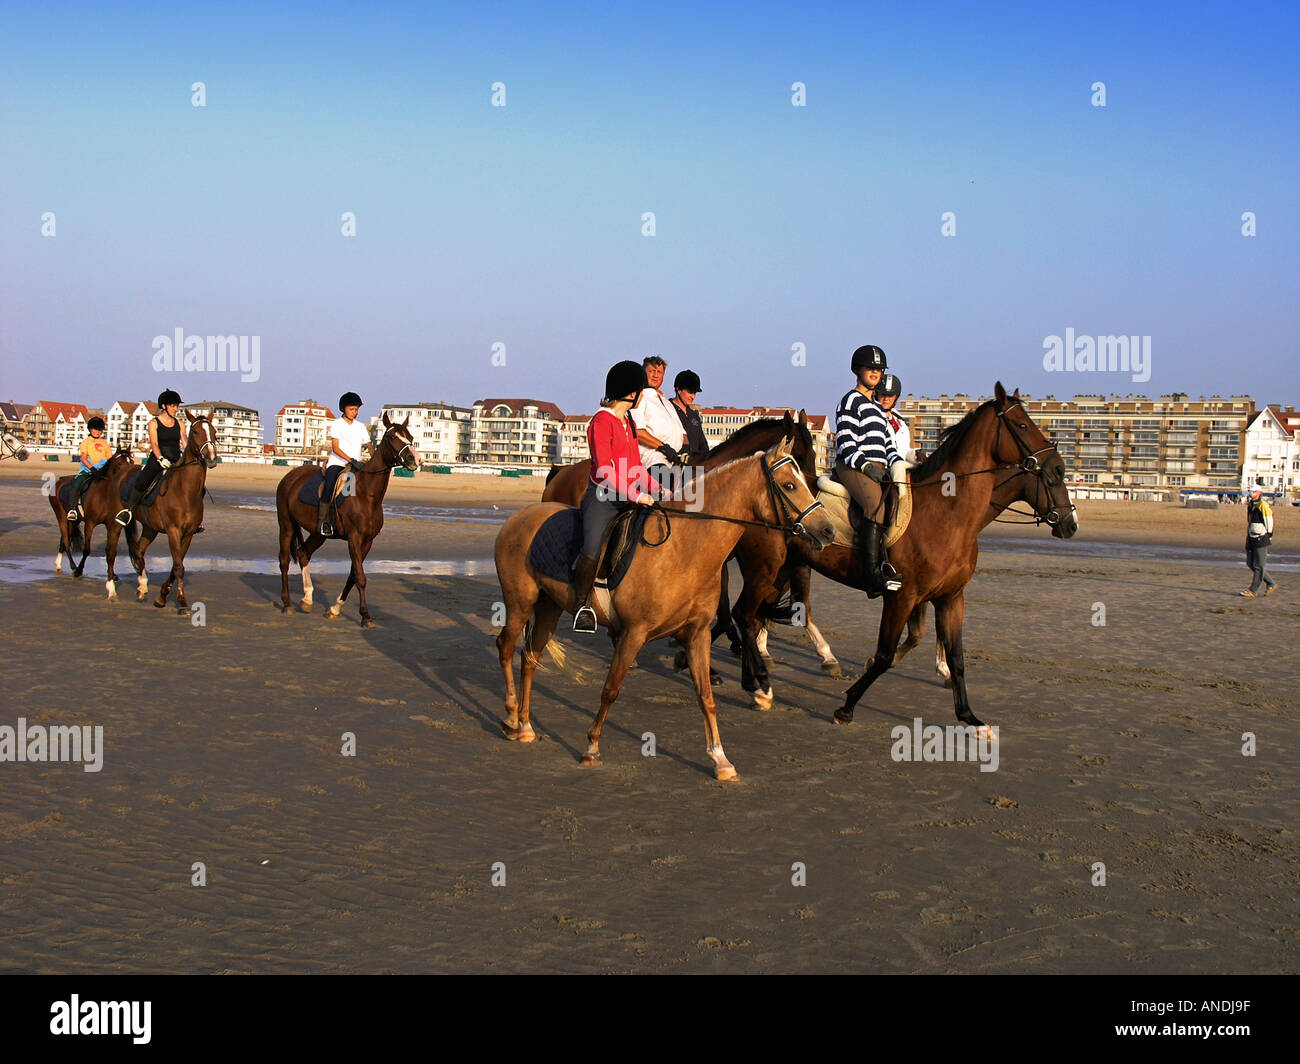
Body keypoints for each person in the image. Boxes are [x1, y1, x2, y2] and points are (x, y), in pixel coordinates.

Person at [572, 361, 661, 634]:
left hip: (628, 496)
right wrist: (637, 495)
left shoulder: (628, 421)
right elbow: (604, 471)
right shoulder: (601, 421)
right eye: (639, 390)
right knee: (593, 545)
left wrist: (660, 490)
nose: (640, 395)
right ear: (629, 392)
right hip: (602, 497)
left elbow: (635, 466)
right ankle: (582, 604)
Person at [834, 345, 906, 594]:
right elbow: (845, 443)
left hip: (879, 468)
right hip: (853, 467)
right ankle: (871, 576)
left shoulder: (878, 409)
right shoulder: (850, 401)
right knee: (876, 506)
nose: (875, 372)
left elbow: (889, 445)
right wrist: (865, 466)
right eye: (870, 368)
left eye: (878, 369)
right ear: (858, 370)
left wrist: (897, 463)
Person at [116, 390, 187, 526]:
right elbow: (154, 443)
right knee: (144, 479)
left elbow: (184, 441)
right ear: (164, 406)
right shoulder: (154, 423)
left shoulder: (180, 423)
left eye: (177, 406)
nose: (176, 409)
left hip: (176, 458)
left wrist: (187, 457)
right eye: (173, 406)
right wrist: (160, 458)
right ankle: (128, 510)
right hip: (158, 458)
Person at [631, 355, 688, 492]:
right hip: (652, 459)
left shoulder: (667, 402)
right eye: (651, 371)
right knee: (667, 499)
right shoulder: (639, 397)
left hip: (675, 461)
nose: (655, 375)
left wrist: (686, 447)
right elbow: (638, 431)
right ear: (644, 373)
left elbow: (682, 433)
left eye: (659, 372)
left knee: (697, 491)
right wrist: (663, 447)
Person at [319, 392, 372, 536]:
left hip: (356, 465)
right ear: (344, 409)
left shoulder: (361, 427)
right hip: (338, 463)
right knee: (329, 486)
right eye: (351, 409)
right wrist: (350, 460)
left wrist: (374, 459)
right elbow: (336, 448)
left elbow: (369, 445)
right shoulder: (337, 424)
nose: (355, 412)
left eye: (356, 409)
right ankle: (323, 521)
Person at [69, 416, 112, 520]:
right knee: (77, 483)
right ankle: (72, 509)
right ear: (90, 429)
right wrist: (92, 468)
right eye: (96, 429)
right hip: (88, 470)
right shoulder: (86, 442)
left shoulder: (105, 443)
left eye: (100, 430)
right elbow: (83, 458)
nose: (98, 432)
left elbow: (109, 458)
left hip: (103, 471)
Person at [1241, 484, 1276, 597]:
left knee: (1259, 566)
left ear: (1259, 493)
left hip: (1261, 537)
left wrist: (1268, 534)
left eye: (1253, 492)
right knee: (1250, 563)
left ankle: (1253, 590)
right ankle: (1271, 583)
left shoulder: (1263, 505)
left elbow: (1269, 520)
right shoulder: (1250, 504)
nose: (1251, 494)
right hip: (1251, 537)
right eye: (1250, 492)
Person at [876, 373, 918, 465]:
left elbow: (904, 451)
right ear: (876, 394)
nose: (886, 399)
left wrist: (916, 454)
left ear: (896, 397)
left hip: (898, 467)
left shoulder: (900, 421)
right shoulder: (872, 416)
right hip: (882, 468)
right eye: (883, 394)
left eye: (890, 395)